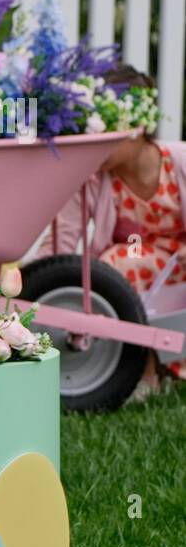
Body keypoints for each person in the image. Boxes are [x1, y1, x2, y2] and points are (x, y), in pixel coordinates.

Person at [41, 65, 186, 389]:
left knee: (120, 263)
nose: (94, 141)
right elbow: (60, 243)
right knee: (121, 262)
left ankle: (150, 371)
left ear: (136, 126)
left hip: (181, 266)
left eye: (104, 129)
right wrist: (34, 284)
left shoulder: (180, 161)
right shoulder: (93, 178)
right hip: (134, 261)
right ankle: (142, 367)